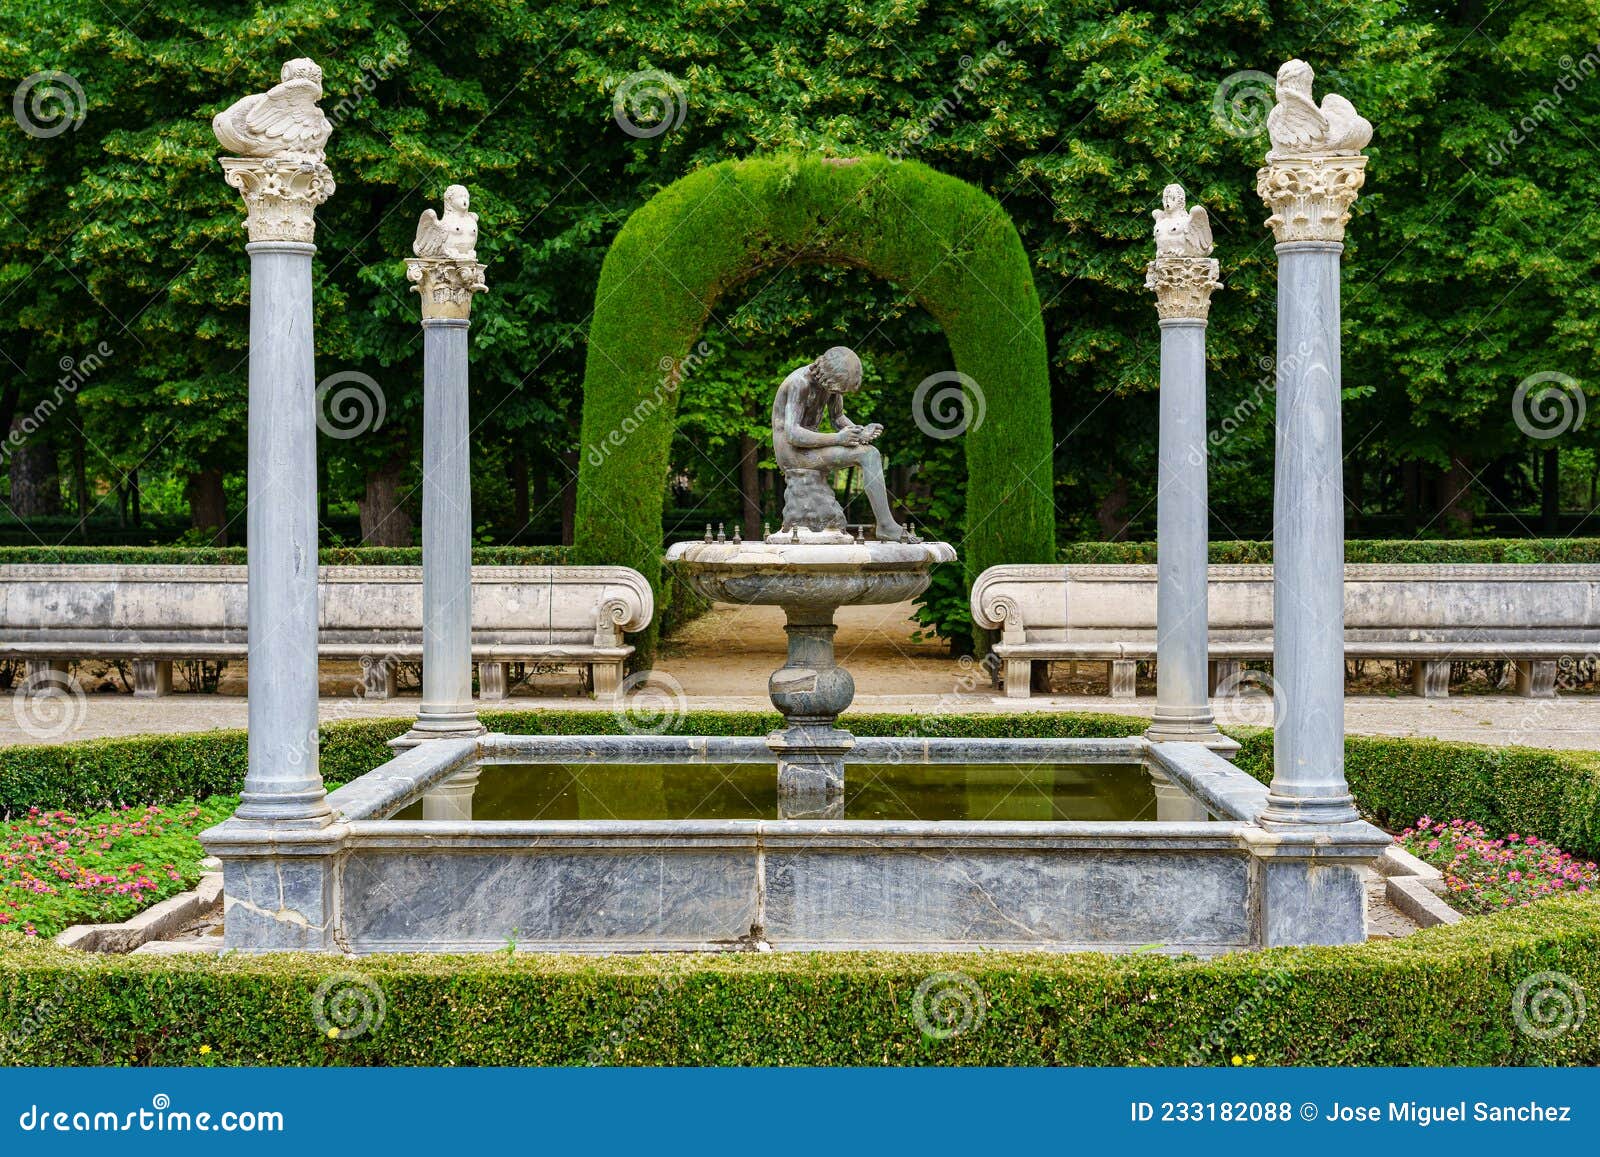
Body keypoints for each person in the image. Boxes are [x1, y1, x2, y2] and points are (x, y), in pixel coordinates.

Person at [771, 346, 908, 542]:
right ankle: (885, 525)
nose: (838, 393)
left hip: (810, 446)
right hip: (791, 453)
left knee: (870, 452)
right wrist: (839, 438)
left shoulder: (828, 384)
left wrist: (860, 433)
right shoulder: (799, 383)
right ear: (828, 378)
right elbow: (792, 435)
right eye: (838, 390)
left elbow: (838, 418)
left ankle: (886, 525)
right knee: (868, 455)